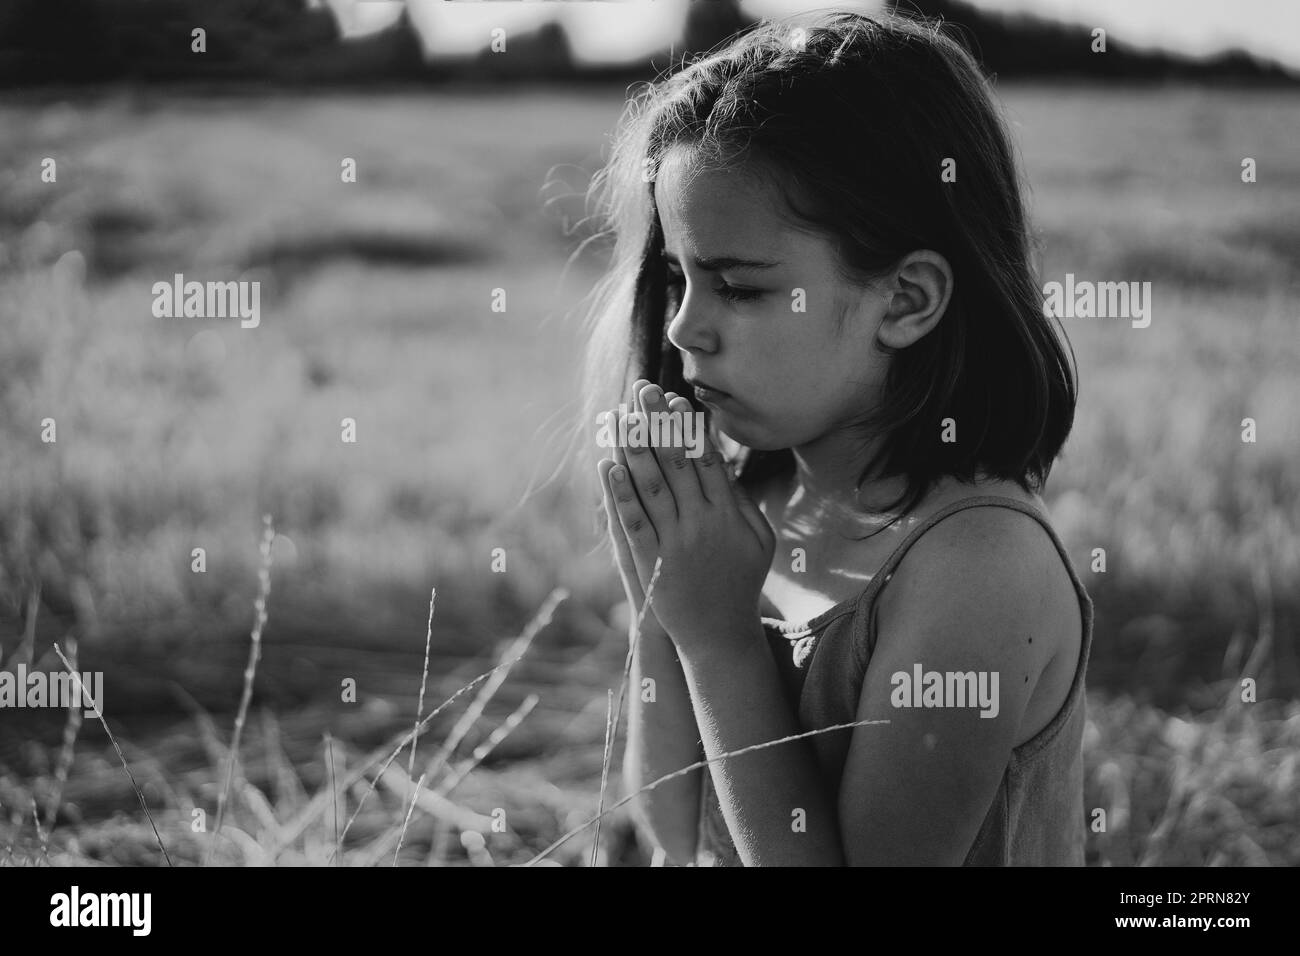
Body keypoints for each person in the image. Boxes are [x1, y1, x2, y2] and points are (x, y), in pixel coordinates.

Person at [580, 9, 1092, 866]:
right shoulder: (749, 502)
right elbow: (672, 835)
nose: (681, 329)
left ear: (905, 301)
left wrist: (721, 639)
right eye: (677, 276)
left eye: (739, 288)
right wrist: (661, 602)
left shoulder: (977, 569)